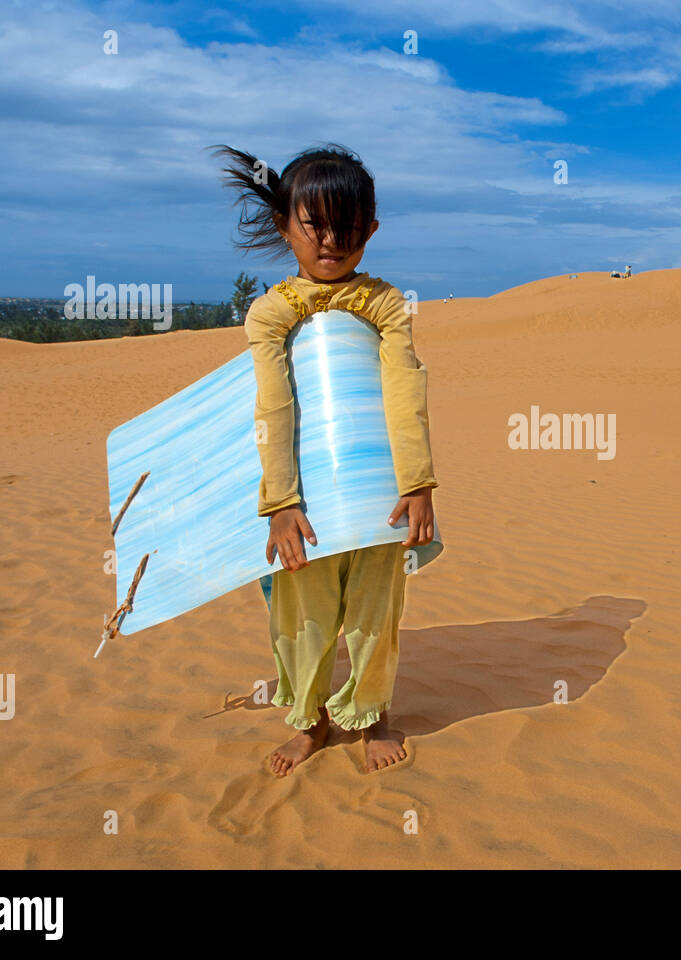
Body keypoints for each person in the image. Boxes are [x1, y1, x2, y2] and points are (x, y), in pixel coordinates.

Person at [214, 143, 438, 777]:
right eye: (315, 224)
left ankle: (373, 714)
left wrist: (418, 484)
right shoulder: (270, 313)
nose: (332, 239)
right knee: (303, 616)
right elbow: (273, 406)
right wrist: (280, 503)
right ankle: (310, 722)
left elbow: (405, 390)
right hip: (303, 503)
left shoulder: (388, 305)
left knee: (376, 613)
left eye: (348, 225)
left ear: (369, 228)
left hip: (378, 496)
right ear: (286, 224)